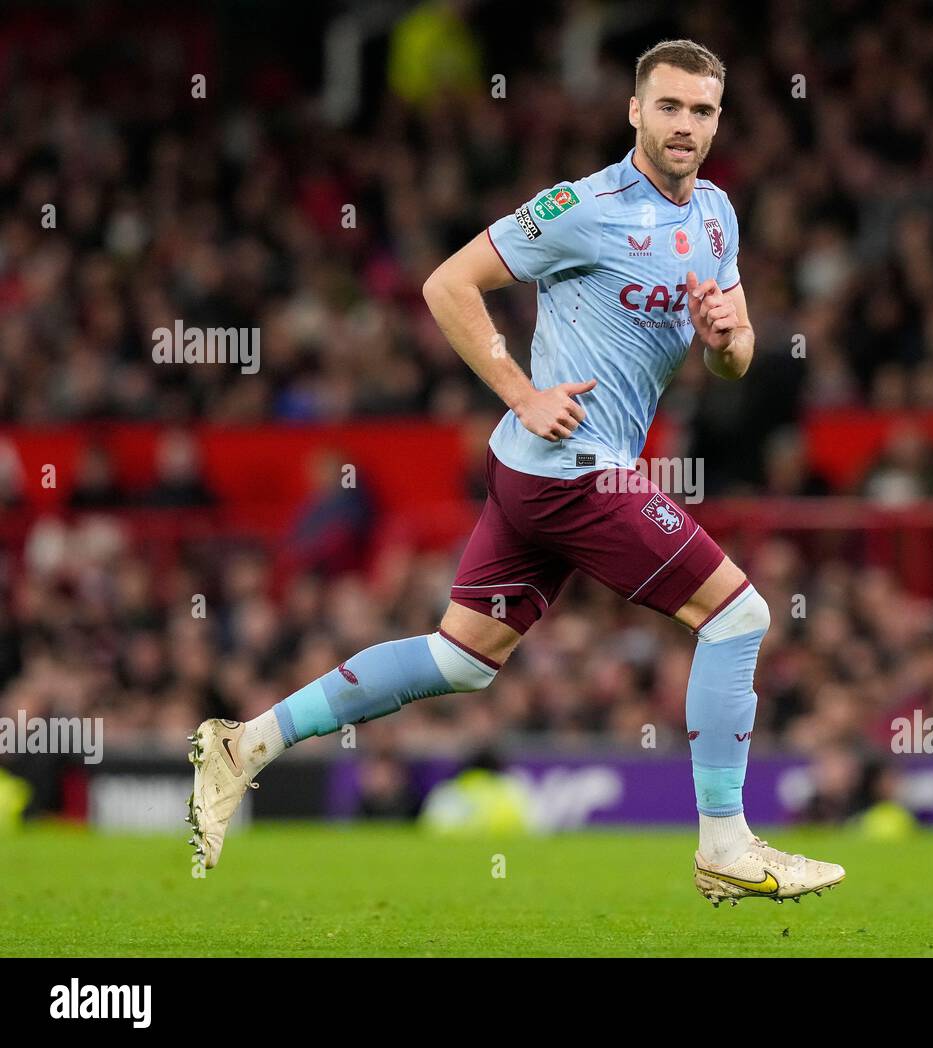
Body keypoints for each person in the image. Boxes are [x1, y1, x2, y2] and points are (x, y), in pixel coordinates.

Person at [188, 39, 844, 906]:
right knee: (738, 615)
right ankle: (724, 842)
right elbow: (448, 284)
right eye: (671, 107)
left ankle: (245, 745)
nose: (686, 125)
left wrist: (728, 339)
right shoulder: (582, 207)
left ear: (719, 121)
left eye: (703, 111)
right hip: (571, 465)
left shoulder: (717, 214)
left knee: (464, 659)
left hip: (536, 472)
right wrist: (520, 389)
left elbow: (737, 356)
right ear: (635, 112)